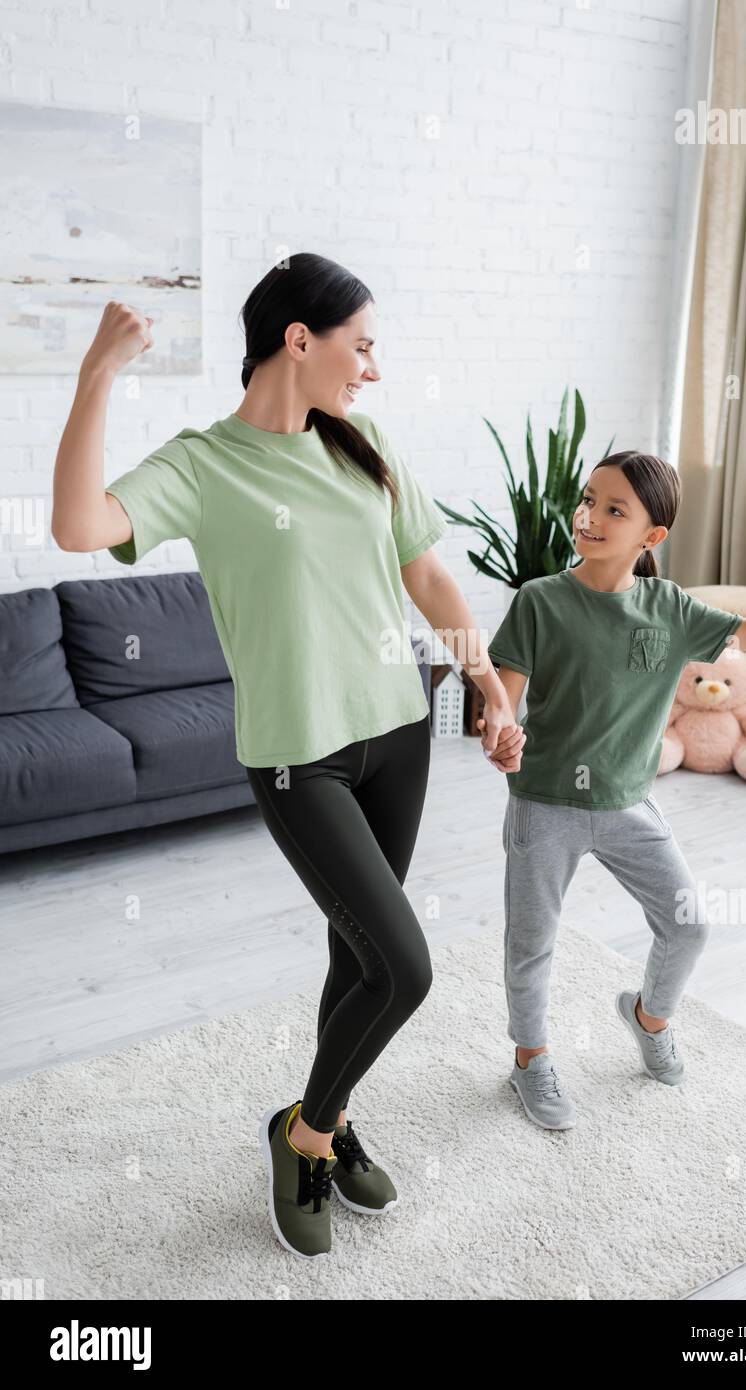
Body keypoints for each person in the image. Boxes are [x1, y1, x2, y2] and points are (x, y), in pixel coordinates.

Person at [51, 252, 526, 1260]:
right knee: (404, 965)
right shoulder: (200, 465)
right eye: (363, 346)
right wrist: (97, 375)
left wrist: (486, 684)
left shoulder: (362, 443)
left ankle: (332, 1114)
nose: (374, 369)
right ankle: (303, 1132)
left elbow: (430, 578)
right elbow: (77, 524)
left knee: (356, 955)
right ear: (298, 340)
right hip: (295, 758)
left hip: (397, 729)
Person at [486, 451, 746, 1129]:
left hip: (629, 804)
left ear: (650, 536)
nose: (590, 516)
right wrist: (499, 733)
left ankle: (648, 1017)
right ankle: (530, 1060)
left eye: (614, 509)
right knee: (531, 943)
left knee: (689, 924)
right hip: (544, 803)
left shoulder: (669, 608)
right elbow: (501, 705)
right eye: (587, 500)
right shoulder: (539, 601)